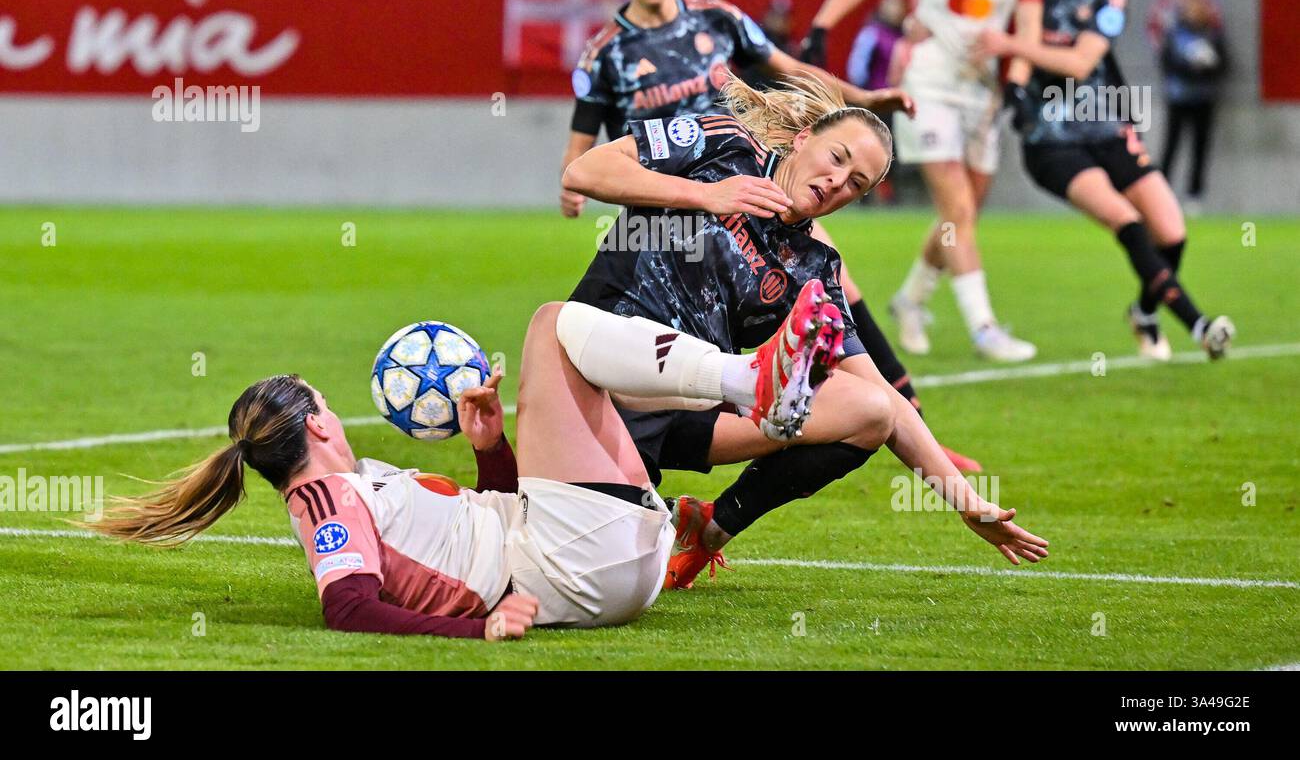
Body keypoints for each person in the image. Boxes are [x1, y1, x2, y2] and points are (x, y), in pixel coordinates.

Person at [84, 290, 858, 637]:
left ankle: (778, 395)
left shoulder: (351, 484)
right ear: (318, 422)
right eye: (323, 398)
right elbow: (346, 605)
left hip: (602, 556)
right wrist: (482, 629)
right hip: (568, 567)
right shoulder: (321, 500)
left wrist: (490, 452)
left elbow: (481, 529)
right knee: (552, 327)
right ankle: (751, 380)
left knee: (589, 365)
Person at [564, 73, 1046, 587]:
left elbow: (884, 396)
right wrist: (706, 196)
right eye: (837, 158)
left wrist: (967, 503)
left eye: (857, 183)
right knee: (598, 581)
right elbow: (585, 170)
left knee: (869, 411)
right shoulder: (722, 141)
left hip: (686, 407)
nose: (839, 182)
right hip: (603, 380)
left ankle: (708, 529)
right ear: (803, 138)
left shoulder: (814, 266)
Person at [557, 0, 952, 454]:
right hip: (672, 192)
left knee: (830, 285)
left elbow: (793, 73)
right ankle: (656, 422)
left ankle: (897, 408)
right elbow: (584, 149)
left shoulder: (720, 21)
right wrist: (576, 187)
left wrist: (863, 100)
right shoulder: (607, 54)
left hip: (752, 176)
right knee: (671, 299)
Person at [801, 0, 1044, 363]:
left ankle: (910, 301)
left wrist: (1019, 82)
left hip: (981, 93)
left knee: (963, 218)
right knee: (955, 206)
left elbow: (1027, 30)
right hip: (925, 86)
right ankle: (984, 329)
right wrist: (822, 24)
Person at [973, 0, 1234, 361]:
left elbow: (1079, 62)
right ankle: (1200, 325)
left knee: (1171, 233)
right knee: (1127, 222)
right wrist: (1013, 82)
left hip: (1107, 126)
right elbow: (1020, 46)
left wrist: (1014, 47)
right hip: (1050, 140)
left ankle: (1145, 312)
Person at [1158, 0, 1228, 209]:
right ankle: (1160, 193)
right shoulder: (1174, 34)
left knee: (1200, 147)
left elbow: (1224, 65)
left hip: (1203, 97)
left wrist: (1206, 67)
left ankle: (1194, 196)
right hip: (1178, 97)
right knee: (1171, 145)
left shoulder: (1212, 35)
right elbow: (1166, 64)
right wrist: (1189, 66)